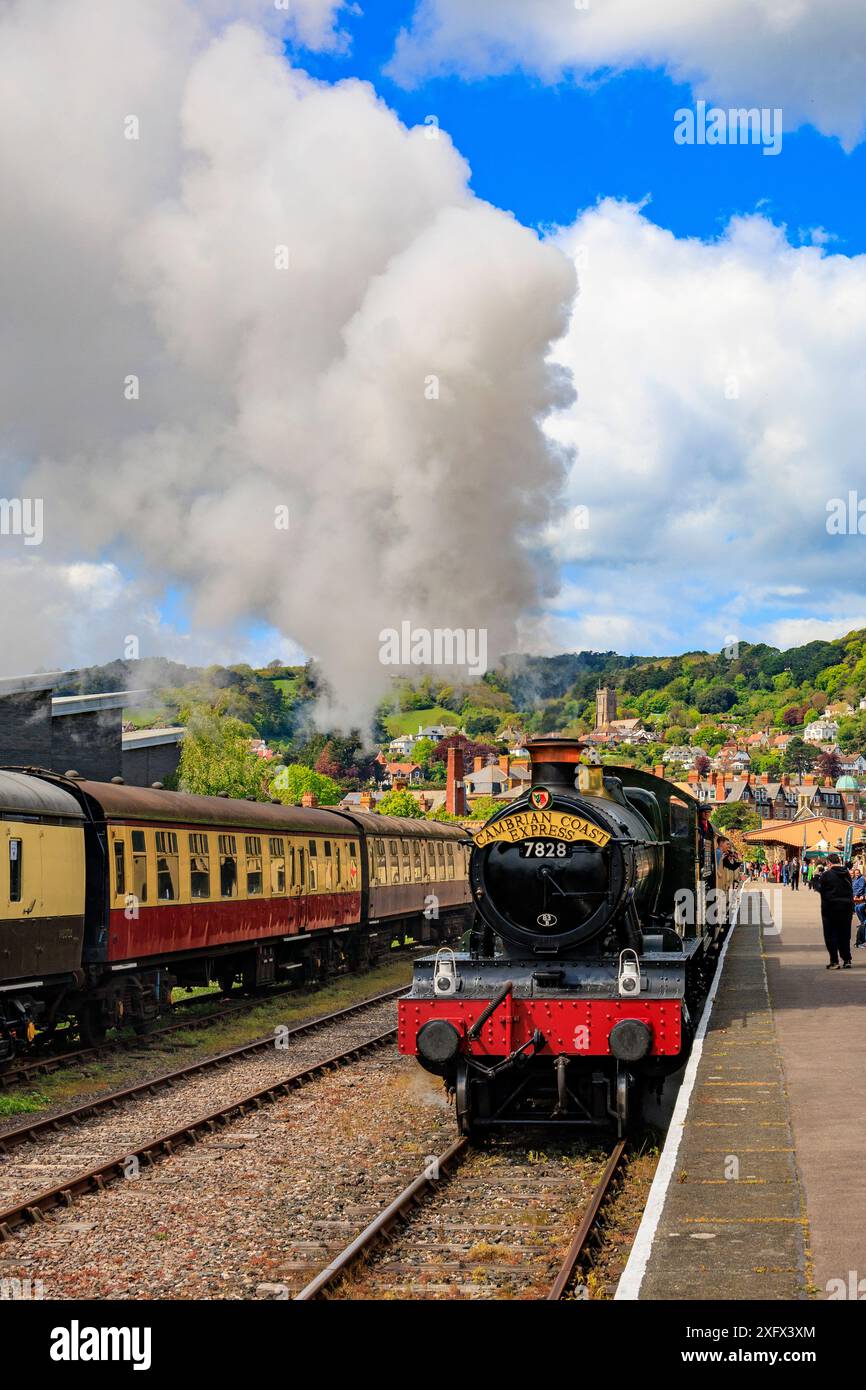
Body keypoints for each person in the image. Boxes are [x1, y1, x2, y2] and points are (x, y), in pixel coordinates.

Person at [814, 853, 855, 969]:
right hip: (846, 909)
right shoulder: (846, 874)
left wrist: (816, 877)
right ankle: (847, 959)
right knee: (844, 935)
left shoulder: (827, 875)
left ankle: (834, 961)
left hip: (830, 909)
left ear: (829, 863)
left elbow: (819, 888)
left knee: (831, 935)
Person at [853, 863, 866, 947]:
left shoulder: (861, 879)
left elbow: (862, 889)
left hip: (862, 900)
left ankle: (863, 921)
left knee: (859, 907)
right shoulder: (856, 879)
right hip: (860, 898)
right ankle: (862, 921)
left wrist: (860, 895)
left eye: (858, 873)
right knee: (857, 907)